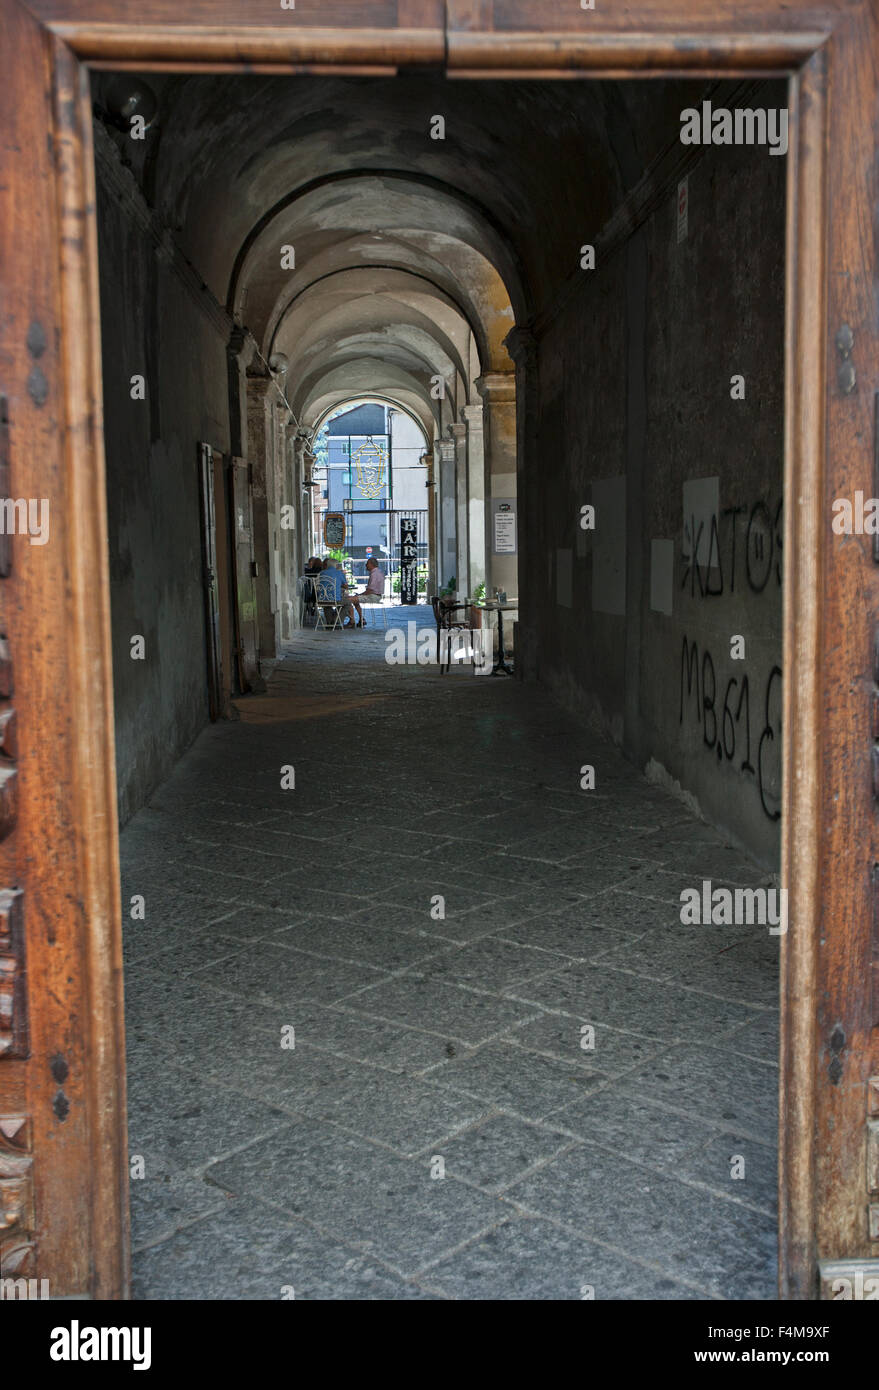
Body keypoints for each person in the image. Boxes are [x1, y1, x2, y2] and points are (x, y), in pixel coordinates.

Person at [315, 558, 355, 627]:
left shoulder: (321, 573)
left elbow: (317, 585)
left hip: (321, 599)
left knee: (327, 604)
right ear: (336, 565)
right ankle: (337, 620)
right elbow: (346, 586)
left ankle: (330, 621)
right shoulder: (339, 573)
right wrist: (339, 584)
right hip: (335, 599)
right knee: (348, 603)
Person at [347, 557, 385, 627]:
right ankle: (361, 619)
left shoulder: (374, 574)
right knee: (355, 600)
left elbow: (370, 590)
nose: (366, 565)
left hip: (373, 596)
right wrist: (358, 596)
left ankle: (352, 621)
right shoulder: (379, 572)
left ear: (371, 564)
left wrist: (358, 595)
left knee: (348, 600)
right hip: (377, 595)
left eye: (367, 564)